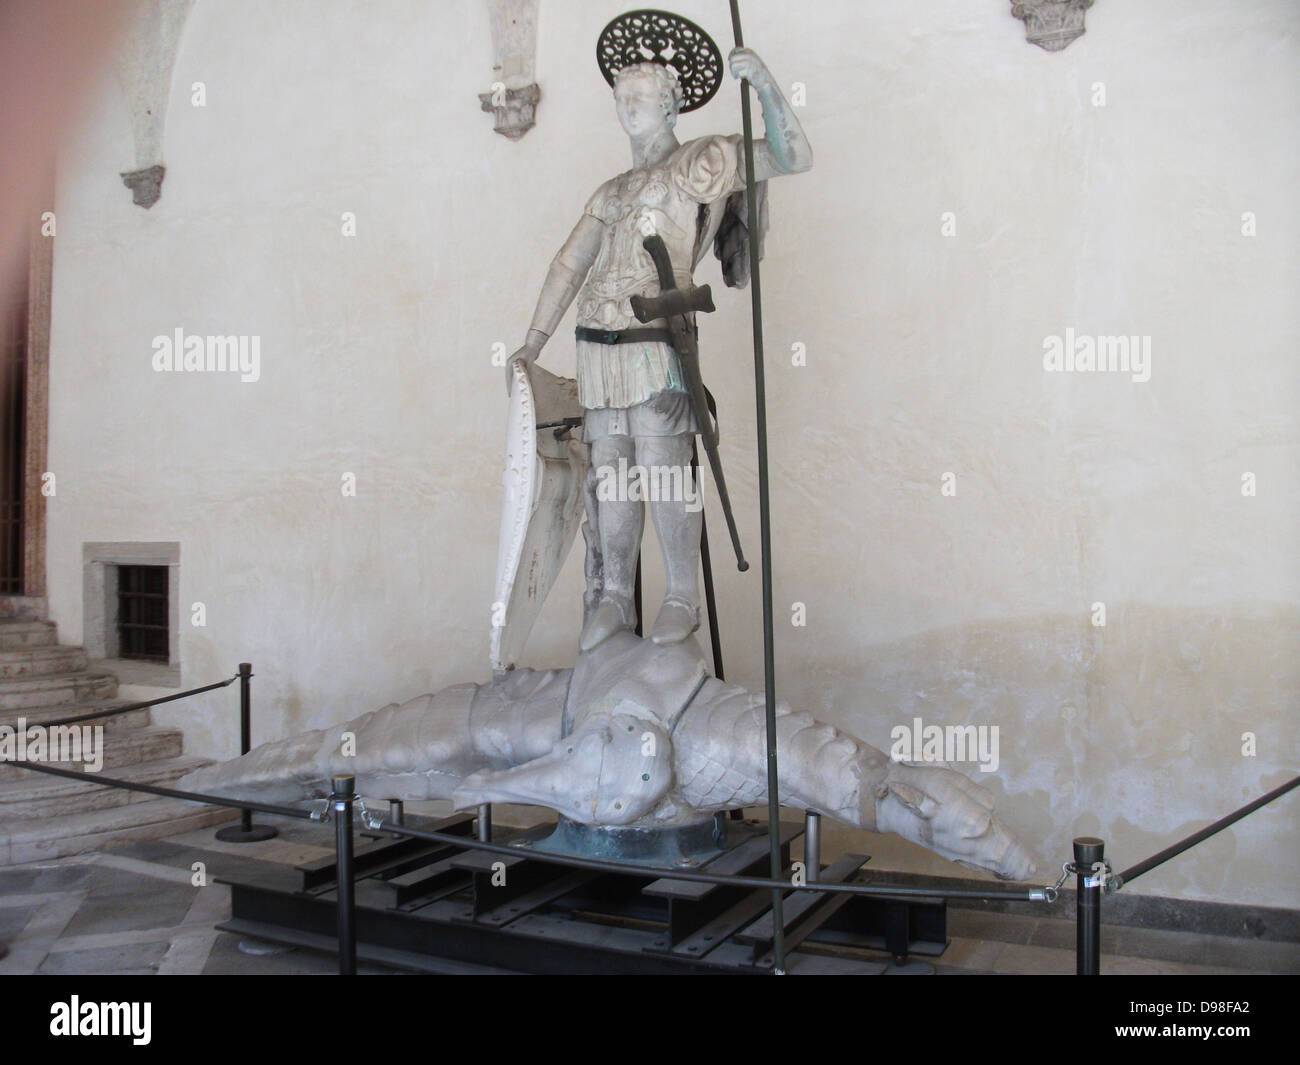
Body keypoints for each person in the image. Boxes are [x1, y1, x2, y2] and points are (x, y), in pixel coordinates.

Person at [507, 47, 811, 652]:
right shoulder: (612, 190)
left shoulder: (697, 164)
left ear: (671, 103)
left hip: (654, 338)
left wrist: (768, 89)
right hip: (597, 344)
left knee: (664, 471)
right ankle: (617, 594)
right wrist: (532, 343)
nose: (627, 106)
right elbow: (569, 263)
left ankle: (679, 596)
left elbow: (790, 156)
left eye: (639, 95)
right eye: (620, 97)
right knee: (612, 475)